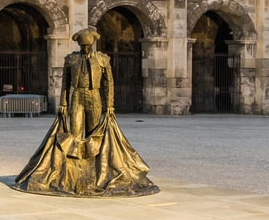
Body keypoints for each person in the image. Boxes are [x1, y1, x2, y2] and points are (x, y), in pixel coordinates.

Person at [10, 27, 159, 197]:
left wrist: (109, 105)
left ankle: (93, 171)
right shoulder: (71, 59)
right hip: (77, 96)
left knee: (94, 134)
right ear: (80, 45)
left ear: (92, 44)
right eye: (83, 46)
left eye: (88, 46)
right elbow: (65, 83)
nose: (86, 48)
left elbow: (108, 83)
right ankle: (73, 172)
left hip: (94, 96)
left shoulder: (102, 59)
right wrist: (63, 103)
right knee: (74, 133)